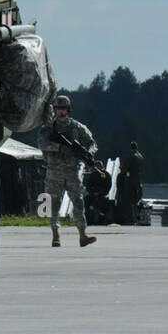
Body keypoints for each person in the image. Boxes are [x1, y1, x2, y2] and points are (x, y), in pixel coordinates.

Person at [37, 94, 99, 247]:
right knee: (53, 204)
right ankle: (55, 235)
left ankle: (83, 235)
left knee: (78, 202)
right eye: (58, 109)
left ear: (68, 110)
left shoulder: (77, 127)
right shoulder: (48, 128)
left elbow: (92, 142)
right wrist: (59, 147)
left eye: (64, 108)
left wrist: (88, 153)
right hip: (54, 170)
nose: (61, 112)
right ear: (55, 110)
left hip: (72, 171)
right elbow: (42, 143)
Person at [116, 141, 144, 225]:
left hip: (131, 180)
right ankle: (137, 216)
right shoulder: (140, 156)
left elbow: (125, 168)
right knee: (136, 199)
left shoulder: (131, 156)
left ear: (131, 148)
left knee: (128, 200)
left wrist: (122, 168)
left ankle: (130, 219)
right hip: (138, 179)